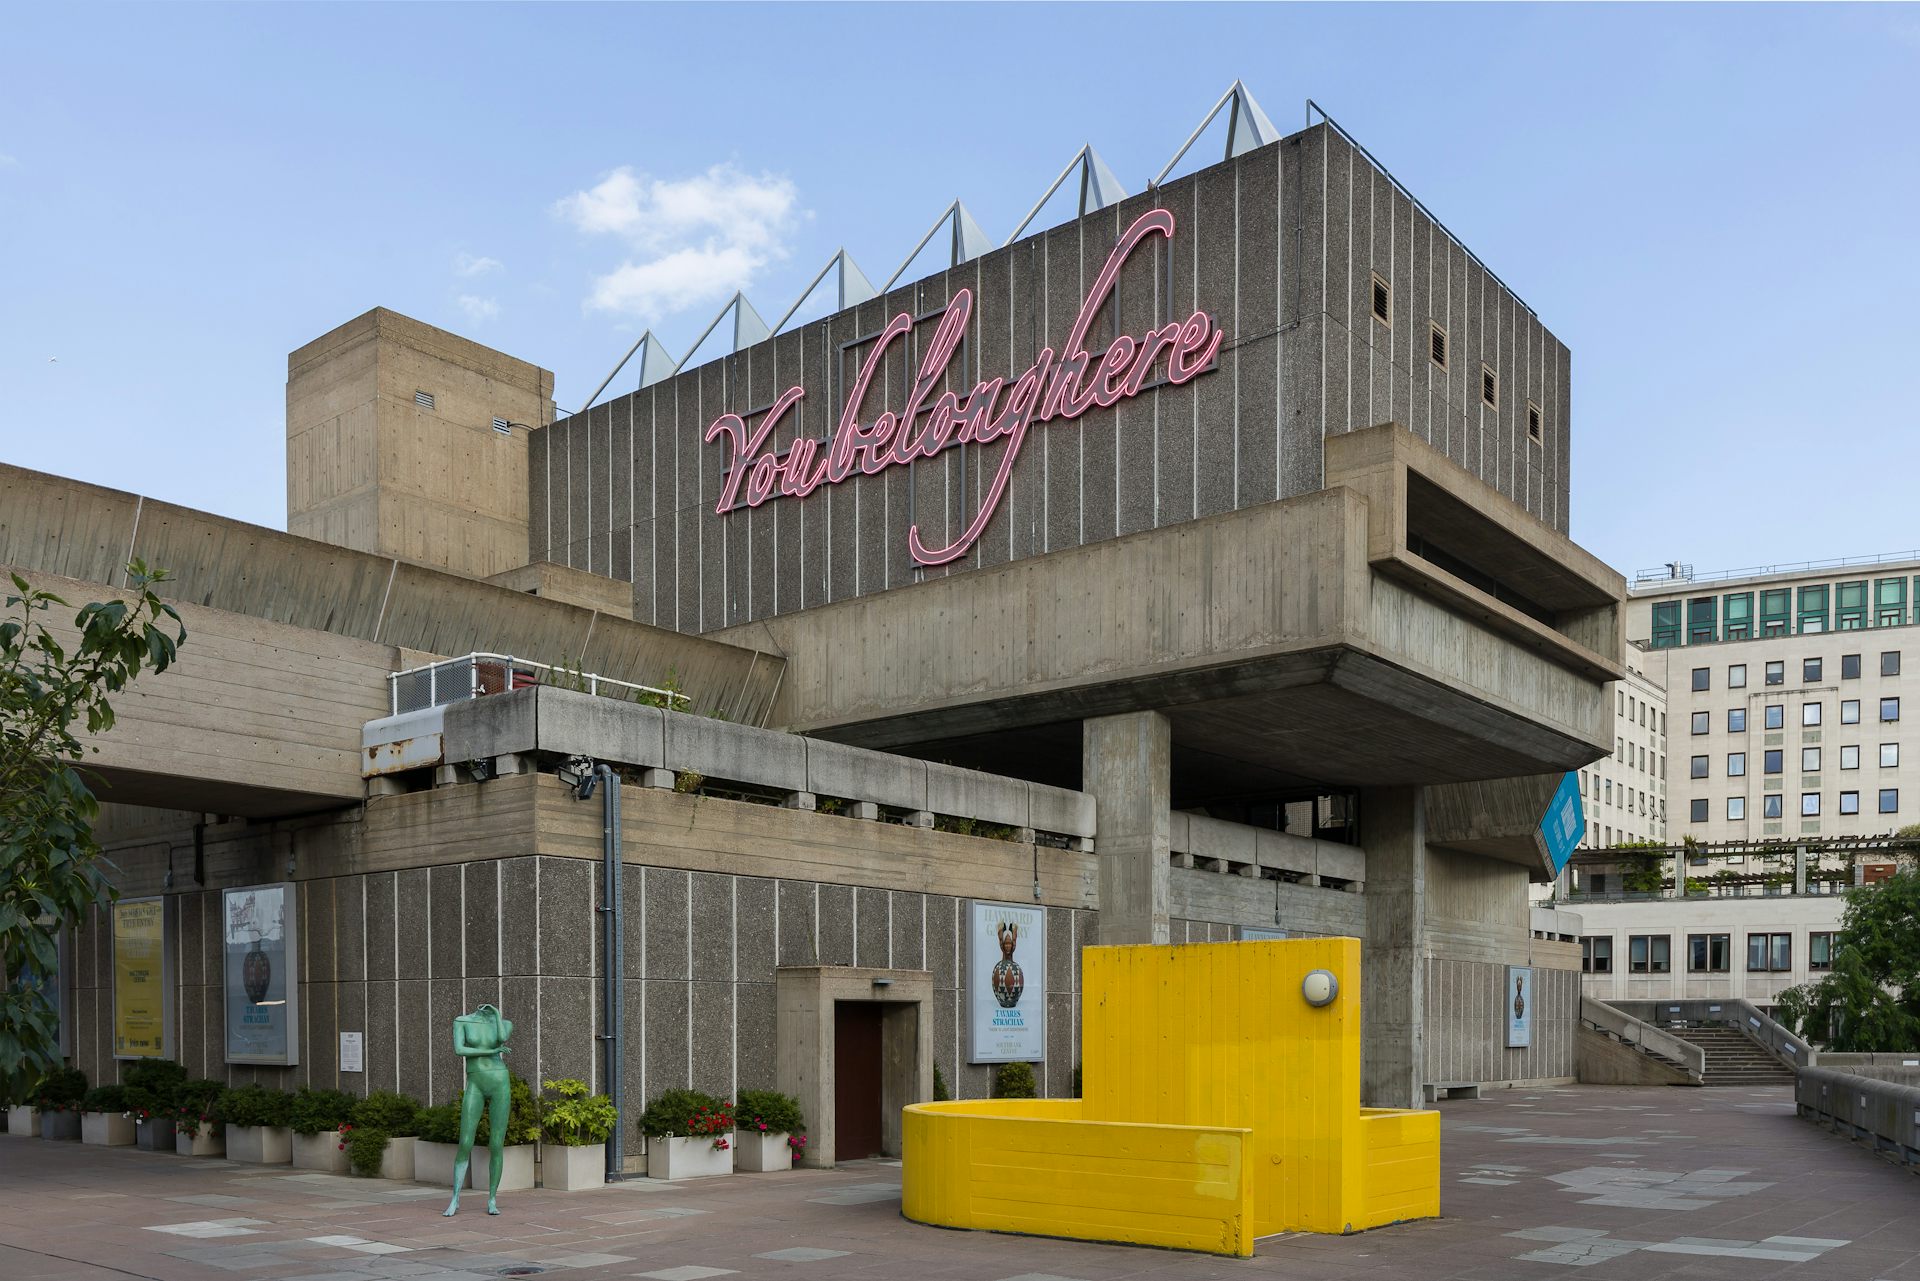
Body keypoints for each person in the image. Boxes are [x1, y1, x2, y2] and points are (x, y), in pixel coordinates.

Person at [443, 1003, 514, 1216]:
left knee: (496, 1144)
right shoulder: (462, 1021)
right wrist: (492, 1050)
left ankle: (492, 1199)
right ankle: (455, 1198)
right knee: (465, 1141)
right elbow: (460, 1050)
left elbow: (502, 1038)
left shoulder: (504, 1024)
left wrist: (497, 1013)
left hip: (500, 1080)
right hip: (475, 1081)